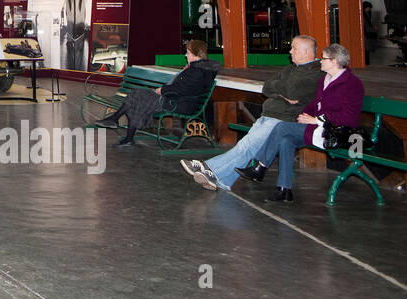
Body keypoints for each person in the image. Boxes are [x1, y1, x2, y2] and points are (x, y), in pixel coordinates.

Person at [181, 35, 322, 191]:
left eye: (294, 48)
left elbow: (293, 93)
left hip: (283, 119)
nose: (290, 51)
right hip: (268, 115)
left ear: (306, 51)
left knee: (247, 147)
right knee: (247, 147)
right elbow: (267, 87)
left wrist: (281, 89)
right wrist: (282, 91)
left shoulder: (316, 74)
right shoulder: (289, 69)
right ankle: (222, 181)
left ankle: (207, 167)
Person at [248, 43, 366, 203]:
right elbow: (314, 104)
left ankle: (260, 166)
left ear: (334, 61)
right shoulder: (324, 80)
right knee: (285, 140)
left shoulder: (352, 84)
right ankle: (284, 190)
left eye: (323, 58)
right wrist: (303, 115)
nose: (320, 62)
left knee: (282, 127)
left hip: (336, 132)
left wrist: (315, 120)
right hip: (317, 128)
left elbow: (349, 117)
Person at [96, 39, 219, 147]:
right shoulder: (198, 69)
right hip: (176, 100)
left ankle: (118, 123)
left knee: (137, 97)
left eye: (188, 53)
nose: (186, 55)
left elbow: (183, 90)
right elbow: (183, 87)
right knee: (136, 95)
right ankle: (119, 125)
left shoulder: (197, 71)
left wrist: (163, 90)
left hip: (178, 104)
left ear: (196, 54)